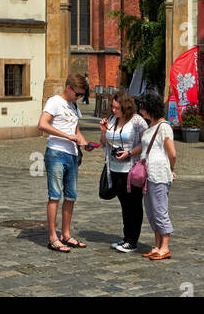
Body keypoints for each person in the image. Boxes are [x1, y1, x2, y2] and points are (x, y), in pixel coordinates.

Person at [38, 73, 89, 252]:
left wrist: (85, 143)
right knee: (54, 195)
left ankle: (65, 234)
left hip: (72, 154)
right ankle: (53, 237)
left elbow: (76, 130)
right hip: (56, 153)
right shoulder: (54, 101)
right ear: (68, 88)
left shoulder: (74, 105)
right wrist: (67, 136)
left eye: (82, 95)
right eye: (78, 94)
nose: (80, 97)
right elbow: (42, 124)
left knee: (71, 196)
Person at [99, 88, 147, 252]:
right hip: (115, 168)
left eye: (117, 108)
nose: (113, 110)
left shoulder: (137, 121)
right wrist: (104, 131)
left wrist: (130, 152)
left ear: (126, 107)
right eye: (112, 107)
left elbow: (145, 143)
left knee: (134, 205)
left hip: (132, 169)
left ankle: (133, 240)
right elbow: (104, 143)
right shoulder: (111, 119)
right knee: (124, 206)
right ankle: (126, 238)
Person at [132, 91, 176, 260]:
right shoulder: (151, 126)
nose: (140, 110)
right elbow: (144, 148)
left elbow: (172, 153)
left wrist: (170, 169)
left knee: (160, 210)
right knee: (151, 211)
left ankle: (165, 247)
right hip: (147, 175)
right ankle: (157, 245)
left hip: (158, 175)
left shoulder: (164, 127)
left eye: (142, 107)